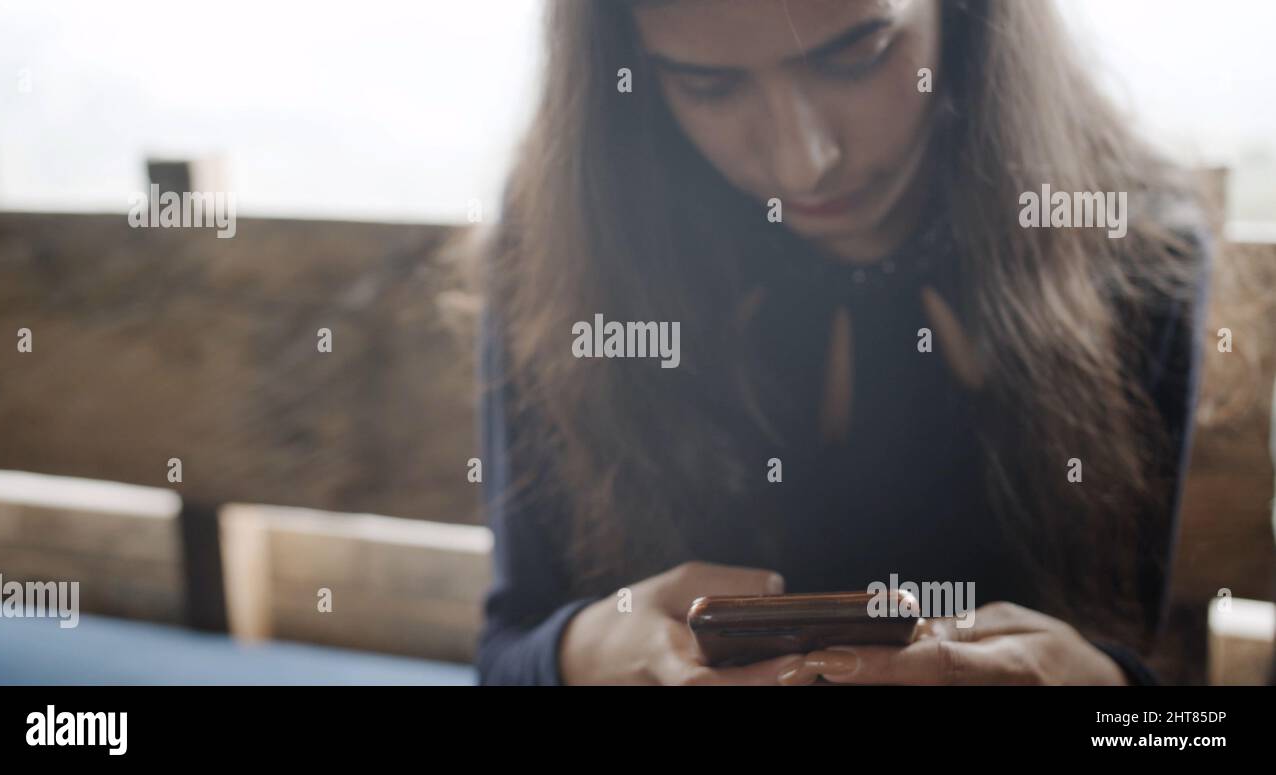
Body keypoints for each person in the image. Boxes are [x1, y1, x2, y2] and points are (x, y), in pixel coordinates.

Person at [474, 0, 1212, 685]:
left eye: (857, 55)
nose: (805, 160)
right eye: (709, 85)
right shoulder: (564, 244)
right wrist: (588, 649)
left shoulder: (1132, 248)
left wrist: (1102, 685)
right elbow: (507, 650)